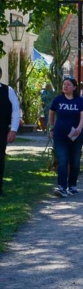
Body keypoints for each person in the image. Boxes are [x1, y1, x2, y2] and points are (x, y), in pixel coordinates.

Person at [48, 76, 83, 197]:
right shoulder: (58, 100)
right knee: (63, 161)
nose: (65, 86)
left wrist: (79, 128)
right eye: (64, 84)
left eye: (68, 84)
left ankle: (72, 185)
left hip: (76, 136)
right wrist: (51, 128)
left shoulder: (80, 101)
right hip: (60, 135)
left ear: (74, 87)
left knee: (75, 162)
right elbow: (51, 112)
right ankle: (61, 187)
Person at [0, 67, 21, 197]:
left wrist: (13, 129)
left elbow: (15, 111)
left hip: (1, 130)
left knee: (0, 158)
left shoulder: (8, 90)